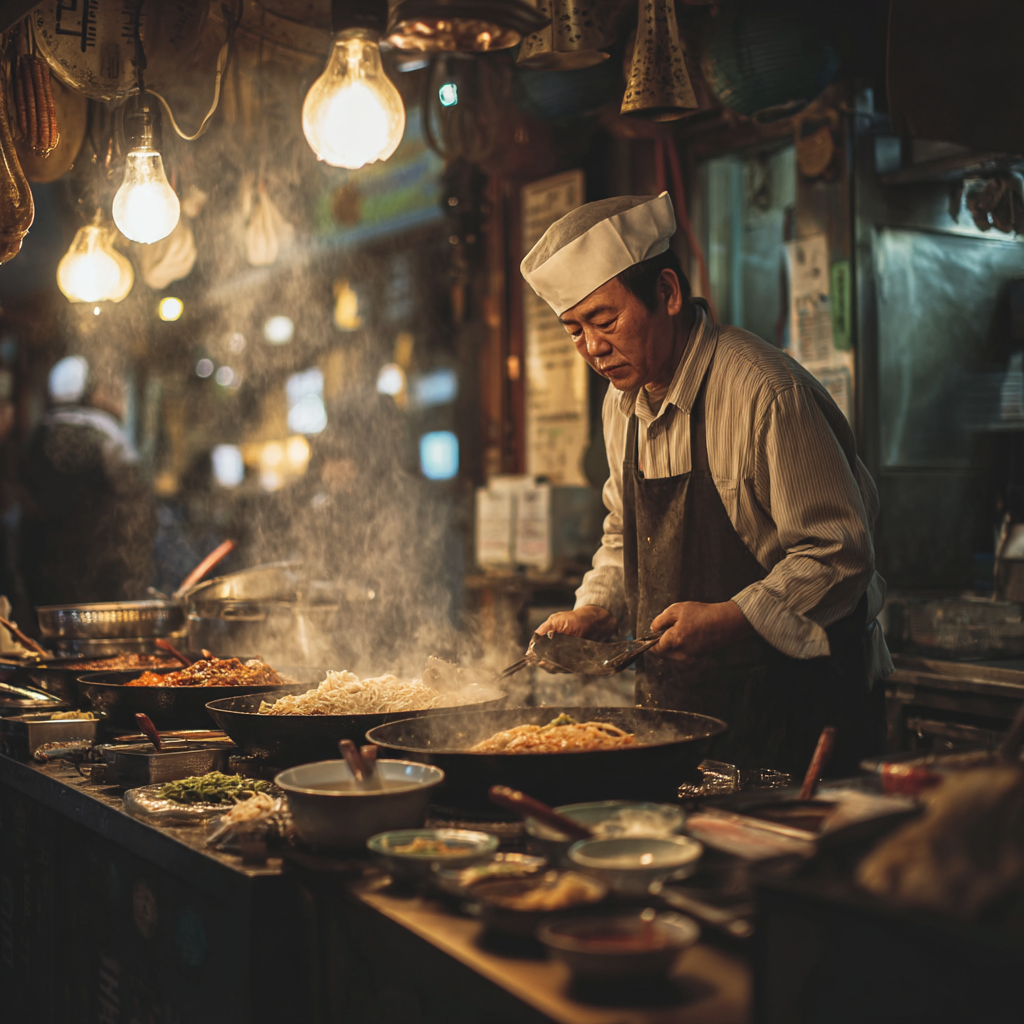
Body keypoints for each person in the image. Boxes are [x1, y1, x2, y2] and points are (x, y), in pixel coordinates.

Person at [522, 193, 891, 775]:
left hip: (796, 720)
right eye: (573, 331)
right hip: (682, 718)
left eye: (604, 321)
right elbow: (625, 535)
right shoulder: (621, 406)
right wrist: (596, 608)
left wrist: (735, 617)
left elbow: (840, 551)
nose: (592, 349)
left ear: (667, 294)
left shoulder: (764, 393)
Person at [20, 355, 155, 609]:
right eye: (110, 389)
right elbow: (137, 509)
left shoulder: (37, 436)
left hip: (42, 577)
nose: (120, 398)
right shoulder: (109, 439)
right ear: (91, 393)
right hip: (100, 581)